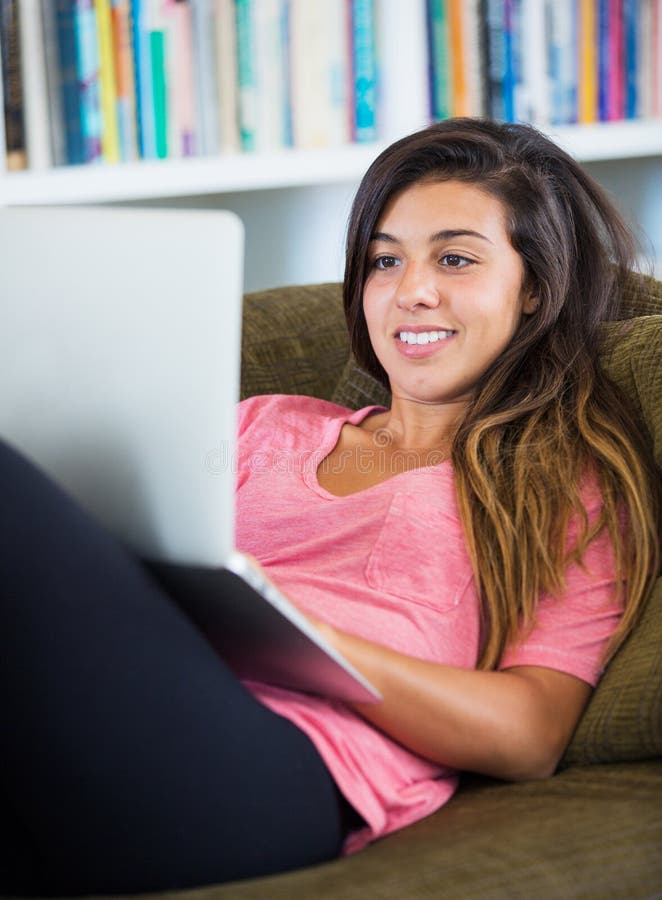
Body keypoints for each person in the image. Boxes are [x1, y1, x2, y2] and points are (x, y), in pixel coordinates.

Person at [1, 118, 659, 896]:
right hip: (114, 713)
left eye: (454, 258)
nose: (411, 290)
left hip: (270, 773)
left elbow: (531, 735)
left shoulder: (556, 480)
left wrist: (308, 639)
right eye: (385, 259)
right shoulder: (260, 425)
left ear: (535, 289)